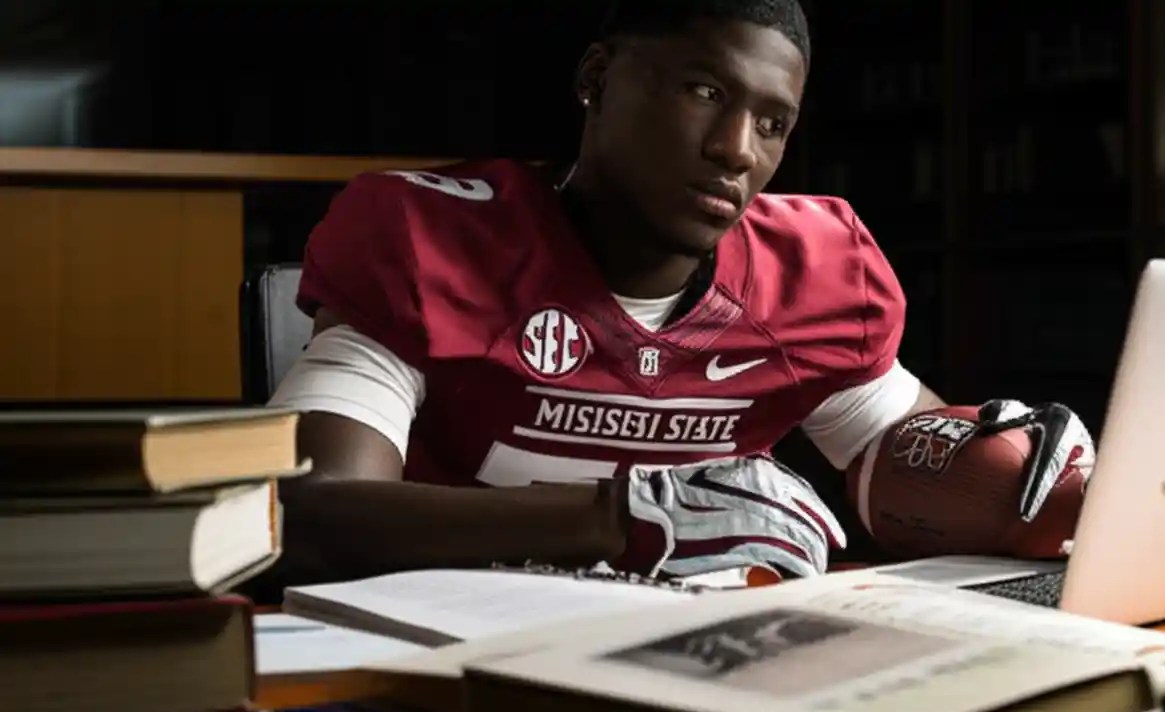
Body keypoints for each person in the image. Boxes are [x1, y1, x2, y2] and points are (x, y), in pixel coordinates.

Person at [267, 0, 1091, 587]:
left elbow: (899, 465)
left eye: (772, 123)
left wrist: (1016, 478)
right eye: (706, 93)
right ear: (597, 77)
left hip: (709, 660)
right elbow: (302, 517)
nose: (736, 150)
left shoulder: (811, 273)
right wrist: (621, 521)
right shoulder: (433, 240)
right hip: (462, 654)